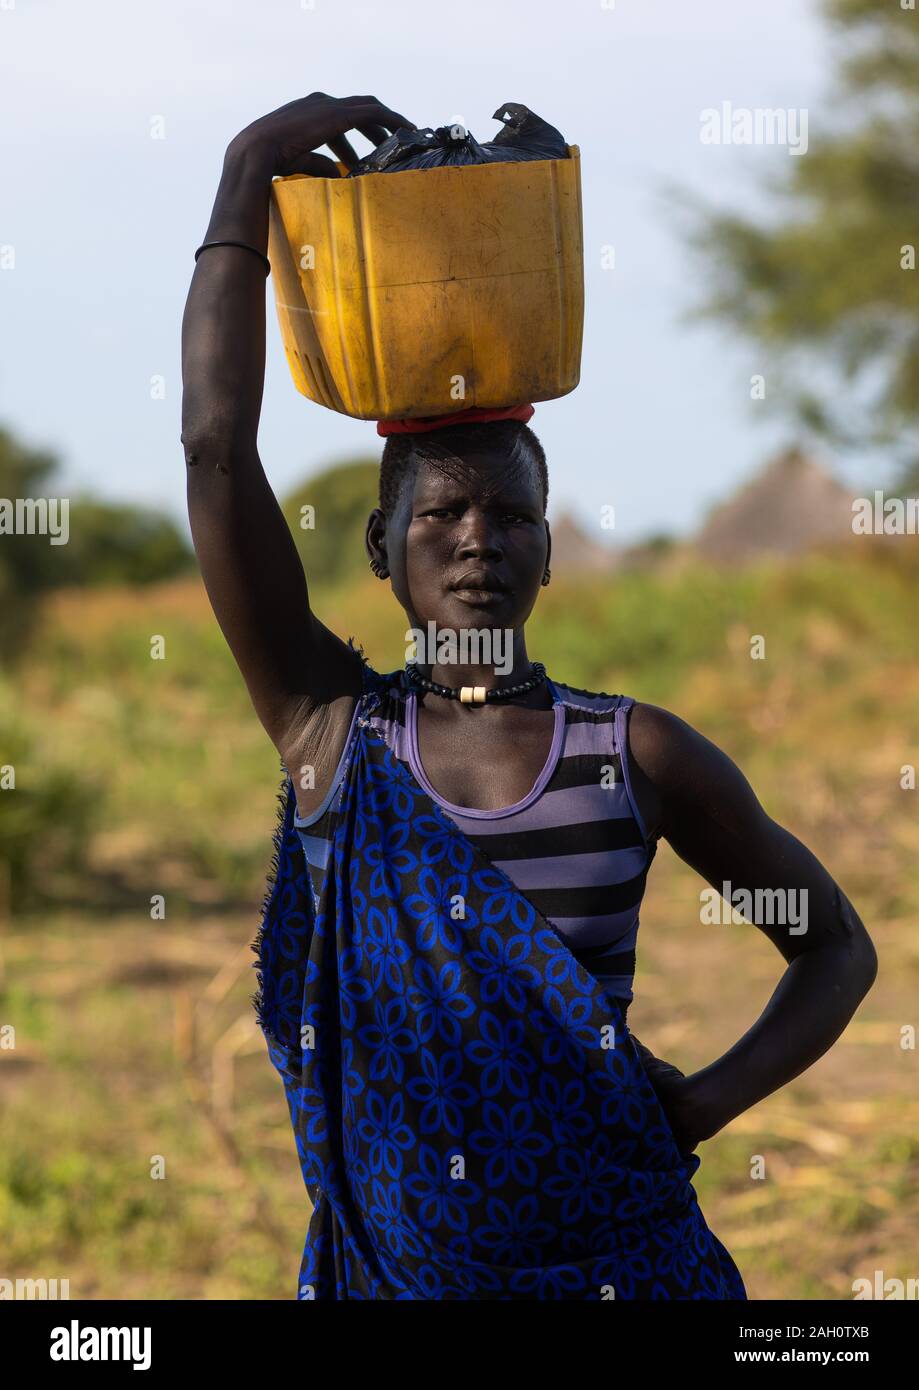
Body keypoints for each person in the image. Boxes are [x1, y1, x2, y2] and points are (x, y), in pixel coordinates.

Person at [181, 93, 878, 1301]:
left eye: (509, 515)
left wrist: (699, 1106)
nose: (474, 543)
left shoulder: (632, 752)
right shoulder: (332, 732)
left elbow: (834, 952)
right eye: (439, 515)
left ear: (552, 551)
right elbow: (212, 451)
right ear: (379, 548)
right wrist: (245, 178)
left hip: (622, 1260)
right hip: (394, 1275)